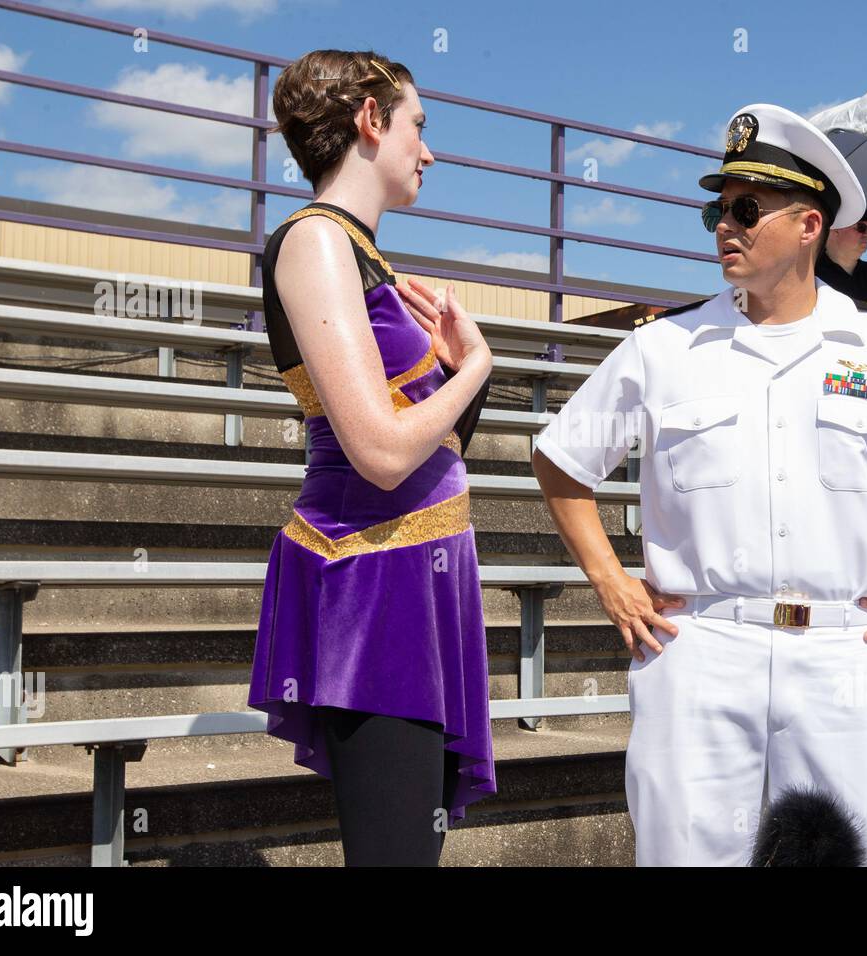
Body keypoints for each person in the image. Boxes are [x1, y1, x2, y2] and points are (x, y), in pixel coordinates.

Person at [531, 103, 867, 867]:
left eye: (747, 209)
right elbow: (562, 458)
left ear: (808, 225)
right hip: (701, 646)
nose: (726, 225)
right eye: (718, 209)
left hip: (844, 648)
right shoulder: (663, 348)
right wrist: (607, 579)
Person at [247, 49, 496, 866]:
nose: (429, 150)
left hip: (415, 576)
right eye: (418, 125)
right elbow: (383, 452)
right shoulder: (316, 241)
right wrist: (481, 370)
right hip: (372, 581)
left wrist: (457, 377)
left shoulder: (361, 253)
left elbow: (437, 446)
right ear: (370, 118)